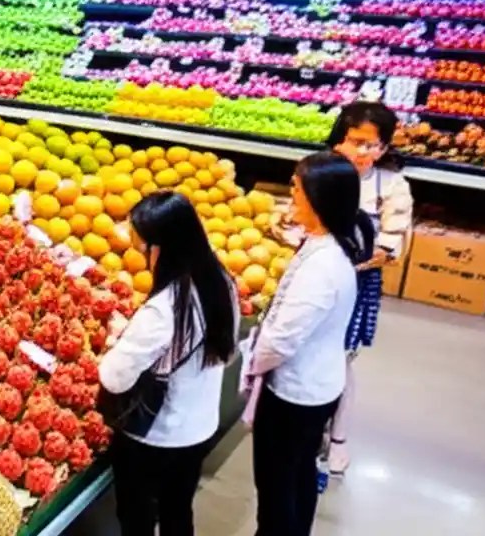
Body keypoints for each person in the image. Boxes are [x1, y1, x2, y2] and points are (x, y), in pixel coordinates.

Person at [99, 191, 240, 536]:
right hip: (198, 427)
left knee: (137, 516)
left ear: (160, 247)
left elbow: (114, 378)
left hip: (156, 436)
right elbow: (226, 347)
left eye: (140, 245)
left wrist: (116, 342)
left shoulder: (164, 310)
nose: (138, 253)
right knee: (178, 511)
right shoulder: (221, 281)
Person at [246, 151, 360, 536]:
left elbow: (282, 339)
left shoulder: (322, 267)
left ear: (316, 197)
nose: (290, 195)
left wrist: (252, 362)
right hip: (319, 385)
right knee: (300, 476)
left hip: (296, 393)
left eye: (295, 188)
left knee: (276, 486)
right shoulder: (333, 245)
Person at [324, 101, 414, 474]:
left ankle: (337, 438)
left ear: (385, 148)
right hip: (315, 276)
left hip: (355, 282)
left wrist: (352, 258)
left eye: (372, 145)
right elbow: (290, 218)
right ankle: (308, 428)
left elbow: (392, 243)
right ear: (338, 140)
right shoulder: (320, 172)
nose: (363, 152)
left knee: (341, 359)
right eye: (355, 141)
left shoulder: (391, 186)